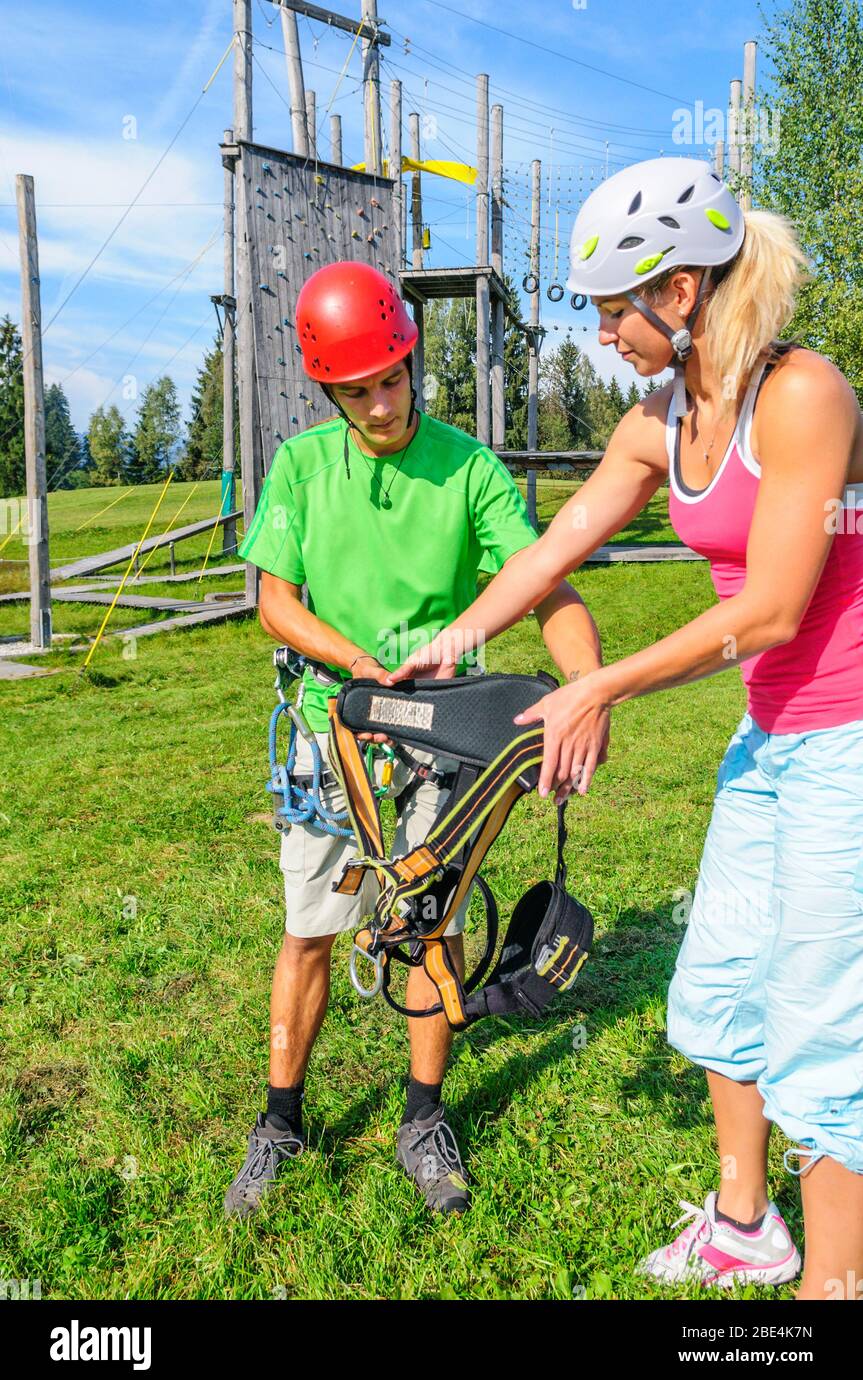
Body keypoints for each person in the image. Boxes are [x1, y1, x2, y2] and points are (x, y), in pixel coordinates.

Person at [388, 158, 863, 1296]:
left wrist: (598, 686)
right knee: (711, 990)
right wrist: (454, 638)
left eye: (613, 312)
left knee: (817, 1025)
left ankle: (831, 1286)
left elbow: (772, 606)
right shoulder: (662, 420)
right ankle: (747, 1226)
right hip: (771, 742)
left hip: (848, 742)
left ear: (680, 292)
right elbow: (556, 547)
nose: (604, 336)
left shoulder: (800, 396)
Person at [225, 260, 606, 1219]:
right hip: (329, 734)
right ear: (329, 391)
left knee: (434, 922)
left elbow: (547, 582)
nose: (382, 403)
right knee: (311, 928)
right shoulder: (303, 466)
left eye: (393, 379)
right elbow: (273, 599)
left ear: (412, 358)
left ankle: (422, 1116)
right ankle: (280, 1120)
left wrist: (587, 687)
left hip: (438, 738)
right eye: (358, 392)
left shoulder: (469, 469)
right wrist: (354, 661)